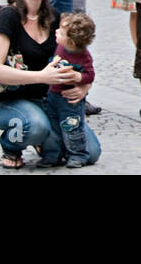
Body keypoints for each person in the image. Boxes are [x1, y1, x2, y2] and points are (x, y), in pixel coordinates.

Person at [0, 0, 98, 168]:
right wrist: (41, 76)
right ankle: (11, 146)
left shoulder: (55, 18)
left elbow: (81, 59)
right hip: (11, 100)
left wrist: (83, 85)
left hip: (51, 101)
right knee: (35, 127)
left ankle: (44, 140)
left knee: (90, 153)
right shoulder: (8, 17)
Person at [44, 12, 96, 168]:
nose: (56, 31)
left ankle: (77, 154)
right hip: (53, 95)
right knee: (52, 127)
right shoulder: (60, 46)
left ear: (72, 42)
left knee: (72, 127)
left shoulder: (83, 56)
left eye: (60, 31)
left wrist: (78, 78)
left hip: (70, 100)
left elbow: (90, 75)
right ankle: (53, 155)